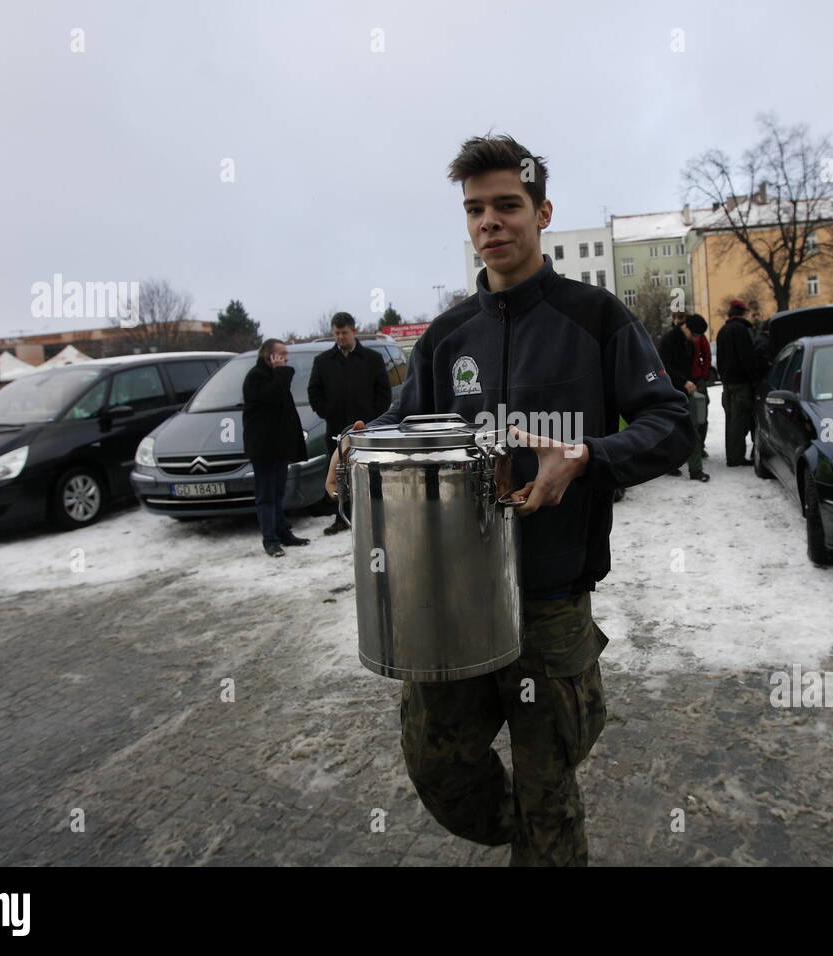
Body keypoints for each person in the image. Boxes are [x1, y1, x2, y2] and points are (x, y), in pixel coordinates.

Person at [326, 134, 694, 866]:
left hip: (549, 597)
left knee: (549, 790)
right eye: (475, 210)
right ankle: (517, 823)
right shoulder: (446, 336)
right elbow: (406, 423)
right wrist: (354, 445)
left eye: (507, 205)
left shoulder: (594, 317)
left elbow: (670, 423)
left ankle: (539, 826)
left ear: (542, 211)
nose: (489, 222)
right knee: (440, 768)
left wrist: (589, 456)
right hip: (451, 603)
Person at [308, 312, 392, 534]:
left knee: (369, 473)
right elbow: (313, 392)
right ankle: (342, 517)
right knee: (339, 475)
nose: (340, 337)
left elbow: (384, 392)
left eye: (344, 333)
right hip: (336, 430)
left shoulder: (371, 359)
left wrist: (373, 420)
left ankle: (372, 516)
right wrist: (327, 412)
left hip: (367, 430)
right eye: (336, 333)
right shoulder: (324, 361)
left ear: (353, 331)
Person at [242, 339, 310, 557]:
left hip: (279, 445)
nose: (286, 358)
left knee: (278, 492)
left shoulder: (275, 377)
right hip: (263, 448)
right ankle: (270, 540)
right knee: (266, 495)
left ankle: (283, 531)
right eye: (281, 354)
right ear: (268, 356)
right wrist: (282, 372)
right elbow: (270, 397)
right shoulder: (256, 377)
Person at [658, 311, 706, 481]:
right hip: (670, 392)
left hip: (684, 391)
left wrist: (689, 382)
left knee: (690, 430)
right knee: (681, 430)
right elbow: (663, 367)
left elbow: (687, 368)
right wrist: (684, 382)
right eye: (694, 335)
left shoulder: (689, 343)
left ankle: (694, 469)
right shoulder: (669, 340)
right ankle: (678, 466)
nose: (696, 339)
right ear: (686, 327)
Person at [716, 299, 758, 466]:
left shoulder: (723, 331)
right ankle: (736, 458)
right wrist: (754, 379)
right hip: (741, 384)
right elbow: (747, 358)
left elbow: (719, 359)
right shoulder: (742, 330)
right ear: (742, 313)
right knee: (740, 422)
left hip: (727, 384)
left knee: (731, 420)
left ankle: (732, 456)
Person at [688, 313, 712, 460]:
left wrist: (703, 373)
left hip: (697, 380)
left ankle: (699, 446)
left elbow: (707, 354)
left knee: (701, 416)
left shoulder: (698, 335)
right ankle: (691, 449)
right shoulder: (677, 338)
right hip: (685, 381)